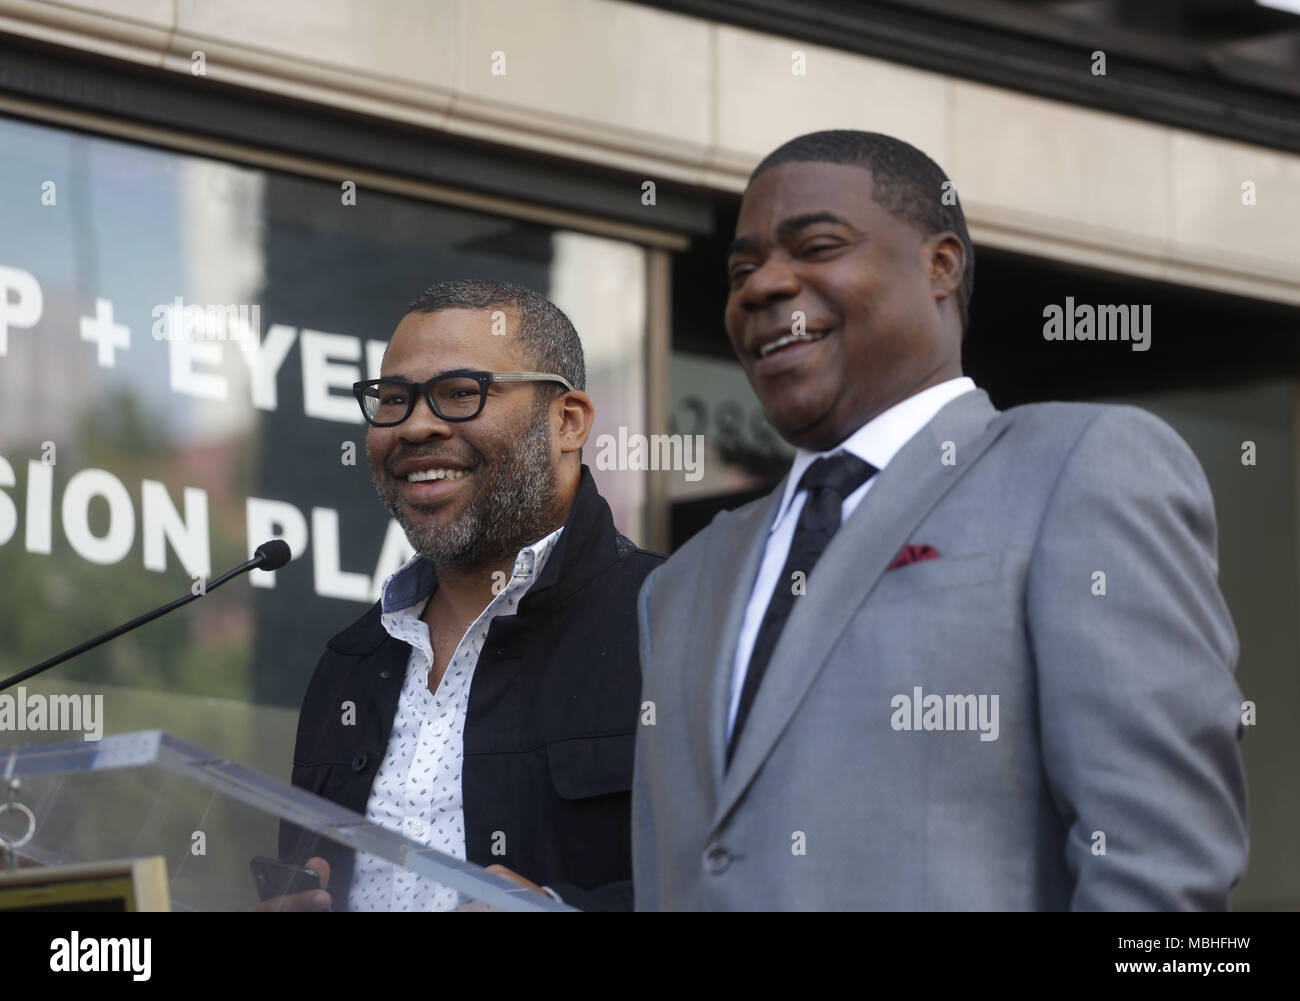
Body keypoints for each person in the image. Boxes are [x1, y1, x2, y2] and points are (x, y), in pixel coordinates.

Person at [632, 130, 1248, 910]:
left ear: (940, 264)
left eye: (816, 244)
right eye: (742, 269)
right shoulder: (683, 580)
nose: (762, 286)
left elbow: (1163, 871)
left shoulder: (1081, 466)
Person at [272, 279, 660, 911]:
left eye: (459, 393)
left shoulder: (674, 622)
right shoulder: (349, 666)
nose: (416, 427)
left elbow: (775, 882)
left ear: (567, 422)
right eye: (393, 400)